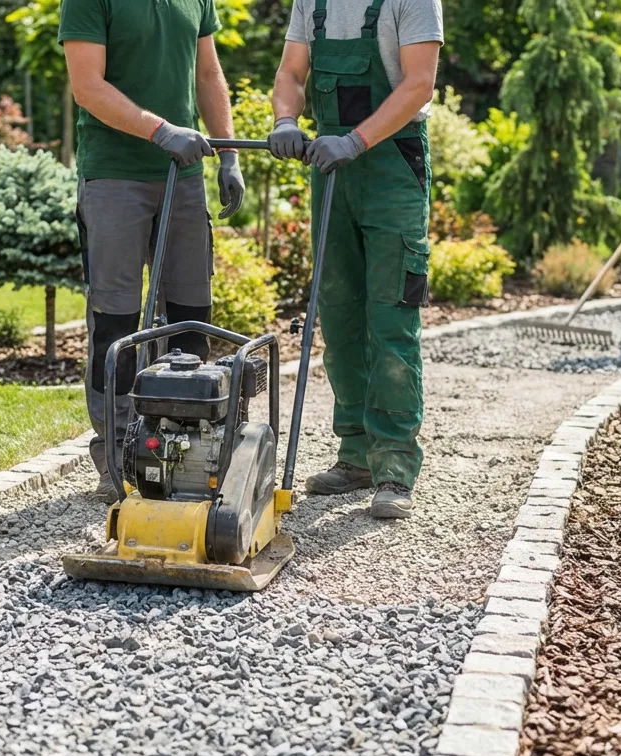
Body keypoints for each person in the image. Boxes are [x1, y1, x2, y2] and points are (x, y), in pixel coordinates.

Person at [60, 0, 246, 503]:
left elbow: (208, 74)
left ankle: (182, 448)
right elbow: (88, 86)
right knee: (116, 323)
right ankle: (116, 458)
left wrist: (227, 154)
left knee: (190, 320)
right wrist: (160, 131)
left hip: (183, 179)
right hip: (115, 178)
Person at [267, 0, 442, 518]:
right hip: (333, 172)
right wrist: (285, 117)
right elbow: (292, 71)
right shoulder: (312, 2)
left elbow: (418, 84)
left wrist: (358, 139)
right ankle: (356, 455)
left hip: (391, 168)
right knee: (339, 315)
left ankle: (394, 466)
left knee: (390, 316)